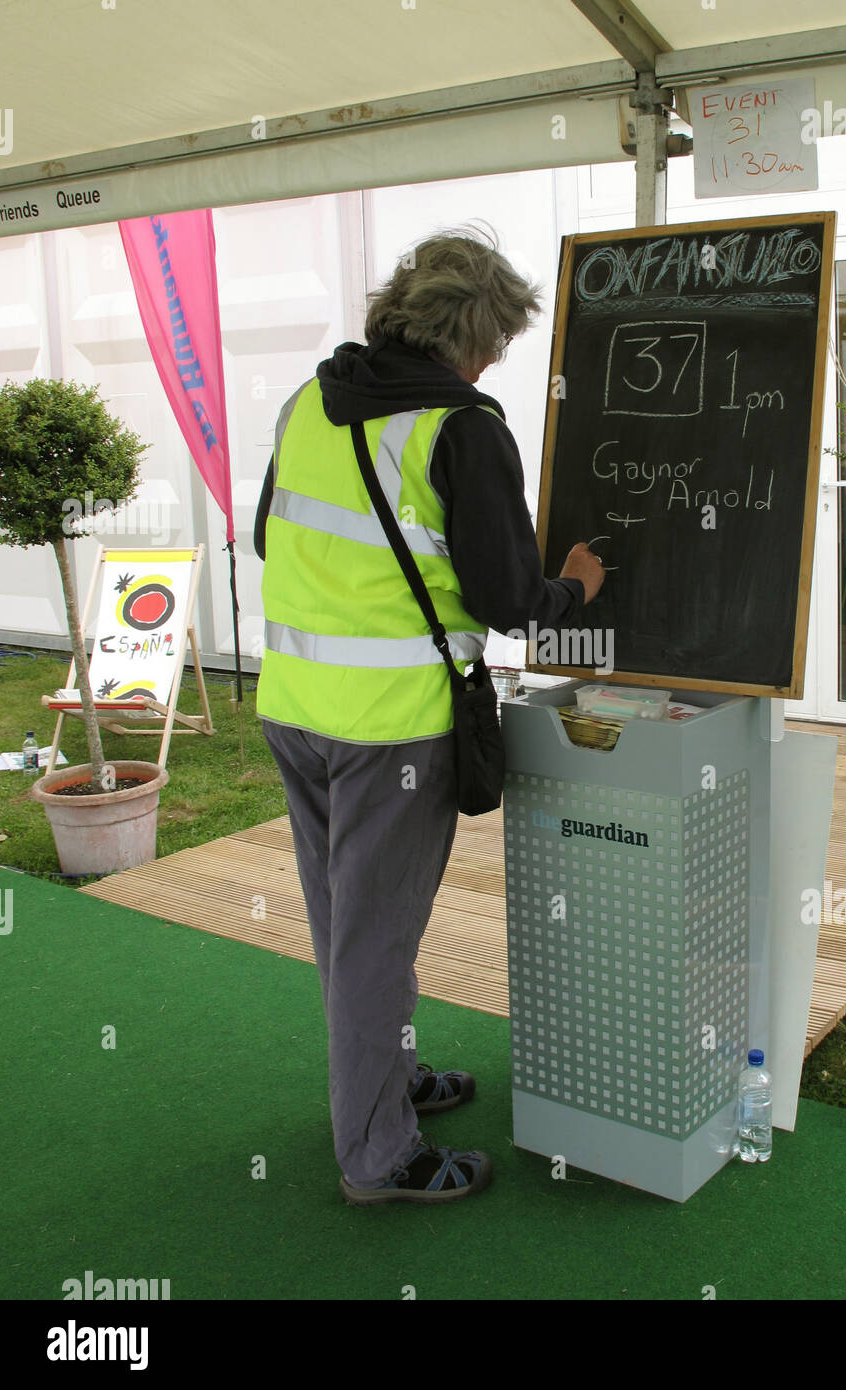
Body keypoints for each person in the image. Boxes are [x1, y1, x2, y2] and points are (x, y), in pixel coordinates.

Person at [253, 224, 605, 1205]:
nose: (496, 360)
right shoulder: (462, 427)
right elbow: (505, 596)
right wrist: (570, 588)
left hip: (296, 707)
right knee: (376, 938)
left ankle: (389, 1080)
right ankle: (377, 1155)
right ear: (467, 335)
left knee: (350, 928)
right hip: (393, 731)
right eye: (495, 340)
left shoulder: (309, 405)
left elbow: (268, 536)